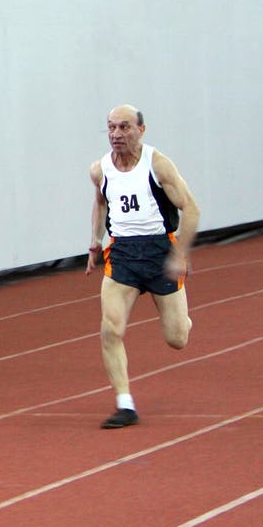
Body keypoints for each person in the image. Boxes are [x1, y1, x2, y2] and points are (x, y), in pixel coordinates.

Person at [86, 104, 200, 428]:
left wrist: (179, 255)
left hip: (160, 251)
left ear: (141, 130)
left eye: (124, 127)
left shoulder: (158, 165)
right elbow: (101, 203)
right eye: (111, 127)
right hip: (122, 254)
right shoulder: (100, 170)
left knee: (177, 338)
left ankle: (184, 320)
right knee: (110, 329)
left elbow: (191, 209)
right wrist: (95, 242)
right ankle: (125, 404)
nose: (116, 134)